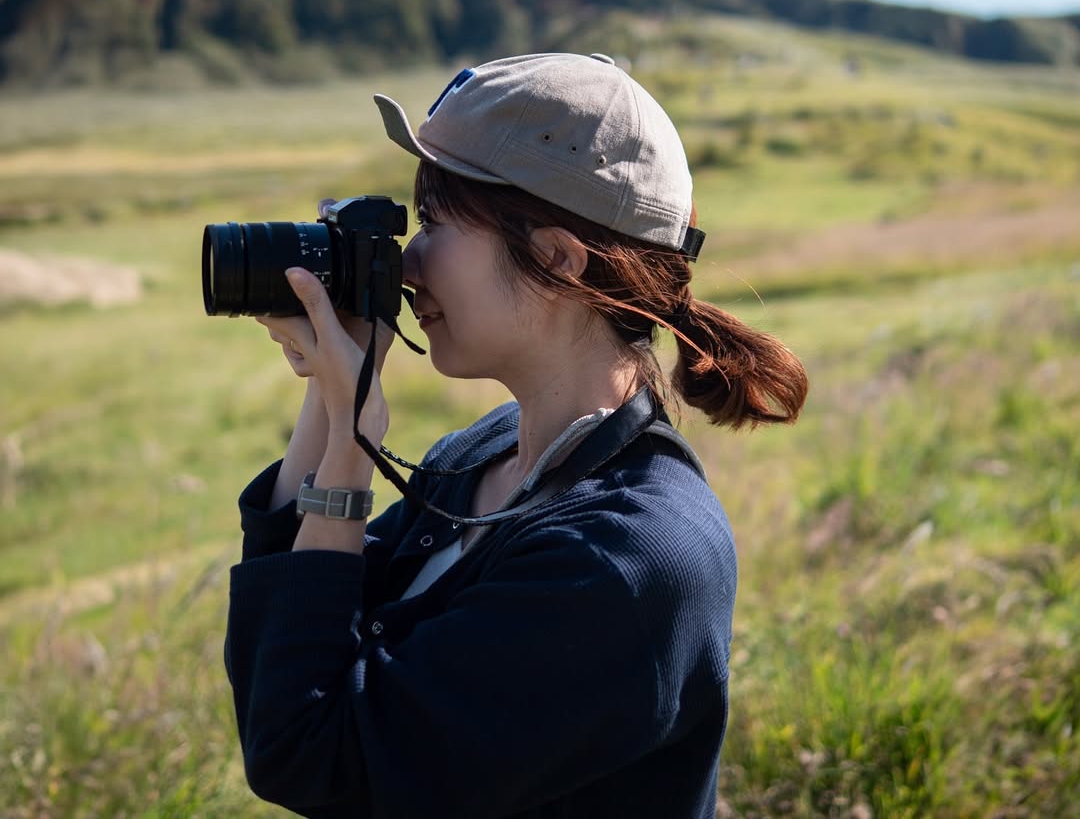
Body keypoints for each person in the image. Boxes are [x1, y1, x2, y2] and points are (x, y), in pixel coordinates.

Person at [224, 52, 808, 818]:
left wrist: (349, 449)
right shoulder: (486, 455)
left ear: (555, 258)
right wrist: (334, 403)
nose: (407, 263)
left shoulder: (627, 559)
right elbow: (293, 656)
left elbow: (311, 755)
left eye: (433, 223)